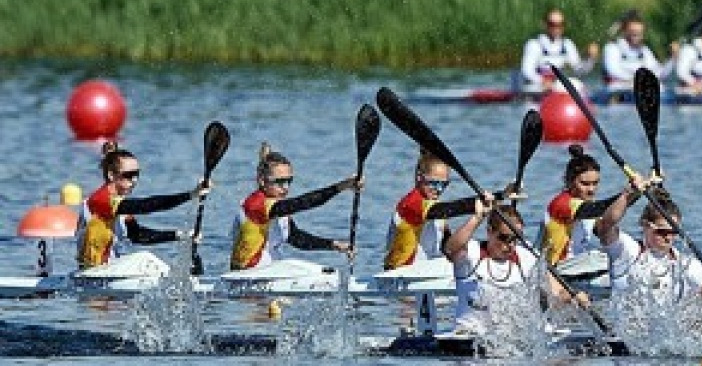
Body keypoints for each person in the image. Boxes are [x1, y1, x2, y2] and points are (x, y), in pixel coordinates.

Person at [594, 174, 702, 309]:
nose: (668, 237)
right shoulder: (627, 250)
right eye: (662, 231)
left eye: (674, 232)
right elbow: (605, 225)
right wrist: (628, 195)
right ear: (645, 225)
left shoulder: (683, 262)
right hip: (625, 335)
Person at [445, 197, 583, 335]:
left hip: (513, 336)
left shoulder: (527, 256)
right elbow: (450, 249)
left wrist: (574, 298)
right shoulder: (471, 254)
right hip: (471, 333)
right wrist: (478, 217)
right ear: (489, 232)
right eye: (504, 238)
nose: (510, 245)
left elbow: (556, 292)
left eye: (516, 238)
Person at [77, 142, 210, 269]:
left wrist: (181, 235)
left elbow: (138, 236)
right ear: (111, 175)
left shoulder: (121, 207)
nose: (134, 181)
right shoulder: (101, 200)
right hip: (91, 273)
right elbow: (146, 205)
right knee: (144, 258)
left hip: (107, 271)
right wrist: (192, 194)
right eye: (129, 175)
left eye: (137, 175)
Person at [229, 143, 361, 270]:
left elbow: (297, 239)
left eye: (289, 181)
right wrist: (342, 186)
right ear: (262, 181)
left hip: (270, 271)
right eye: (280, 182)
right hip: (247, 276)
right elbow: (305, 202)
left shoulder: (276, 206)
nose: (286, 188)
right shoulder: (256, 204)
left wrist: (334, 245)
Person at [383, 150, 483, 270]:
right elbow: (449, 209)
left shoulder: (436, 207)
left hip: (429, 272)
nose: (439, 190)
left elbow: (448, 248)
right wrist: (478, 203)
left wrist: (501, 196)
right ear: (419, 178)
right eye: (433, 183)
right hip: (400, 275)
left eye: (444, 184)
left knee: (472, 247)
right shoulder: (411, 203)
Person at [541, 144, 629, 265]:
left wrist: (640, 192)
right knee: (599, 258)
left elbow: (603, 228)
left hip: (575, 268)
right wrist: (627, 194)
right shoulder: (562, 204)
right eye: (585, 183)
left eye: (595, 183)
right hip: (554, 269)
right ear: (569, 181)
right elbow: (600, 208)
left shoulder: (586, 205)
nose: (591, 189)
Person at [519, 9, 597, 93]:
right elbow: (526, 71)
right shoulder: (534, 44)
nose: (556, 28)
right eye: (552, 24)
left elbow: (579, 70)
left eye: (560, 25)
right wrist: (542, 81)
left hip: (556, 87)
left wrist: (590, 58)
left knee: (578, 85)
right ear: (545, 25)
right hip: (537, 88)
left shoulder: (567, 44)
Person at [602, 12, 663, 89]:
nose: (637, 36)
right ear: (624, 31)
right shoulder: (612, 48)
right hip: (617, 90)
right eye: (634, 33)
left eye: (640, 33)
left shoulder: (644, 50)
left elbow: (657, 70)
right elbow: (613, 71)